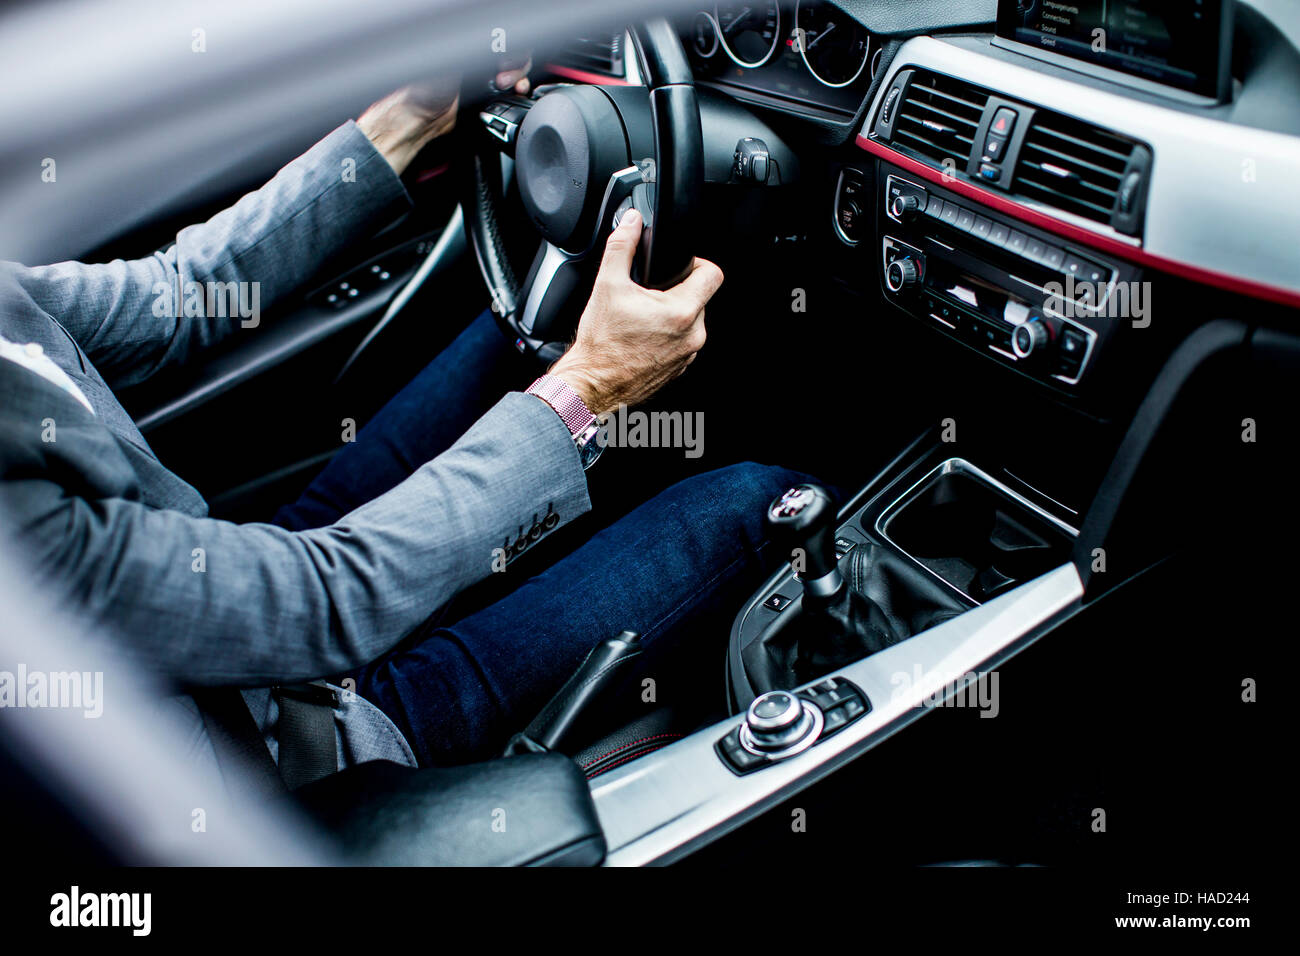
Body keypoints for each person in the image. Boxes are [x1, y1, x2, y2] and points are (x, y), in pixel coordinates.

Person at [0, 71, 806, 780]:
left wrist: (402, 123)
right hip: (289, 750)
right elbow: (323, 602)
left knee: (520, 340)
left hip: (222, 596)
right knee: (761, 501)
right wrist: (586, 391)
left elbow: (175, 296)